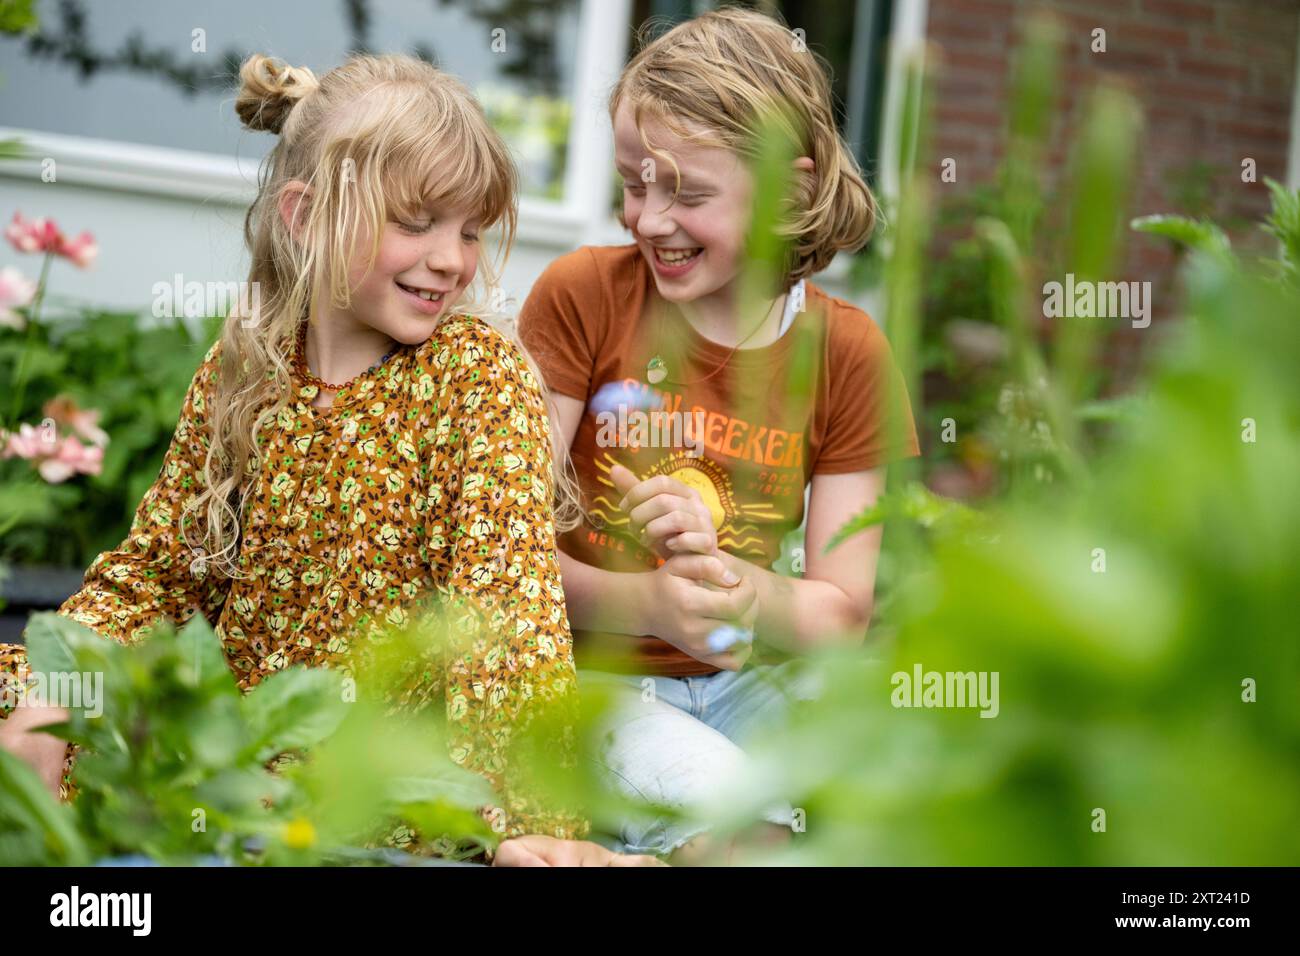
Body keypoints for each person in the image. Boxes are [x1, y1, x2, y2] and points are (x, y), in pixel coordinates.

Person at [0, 52, 658, 867]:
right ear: (304, 216)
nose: (452, 258)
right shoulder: (246, 369)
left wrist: (528, 825)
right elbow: (158, 577)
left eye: (470, 229)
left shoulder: (472, 381)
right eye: (416, 222)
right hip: (231, 756)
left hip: (381, 779)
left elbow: (503, 619)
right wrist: (55, 696)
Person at [518, 8, 920, 863]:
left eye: (688, 193)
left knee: (898, 808)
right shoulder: (583, 296)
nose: (649, 218)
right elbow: (498, 552)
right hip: (591, 684)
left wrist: (739, 592)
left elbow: (840, 612)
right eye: (634, 181)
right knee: (747, 827)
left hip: (746, 686)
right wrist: (647, 603)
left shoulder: (848, 353)